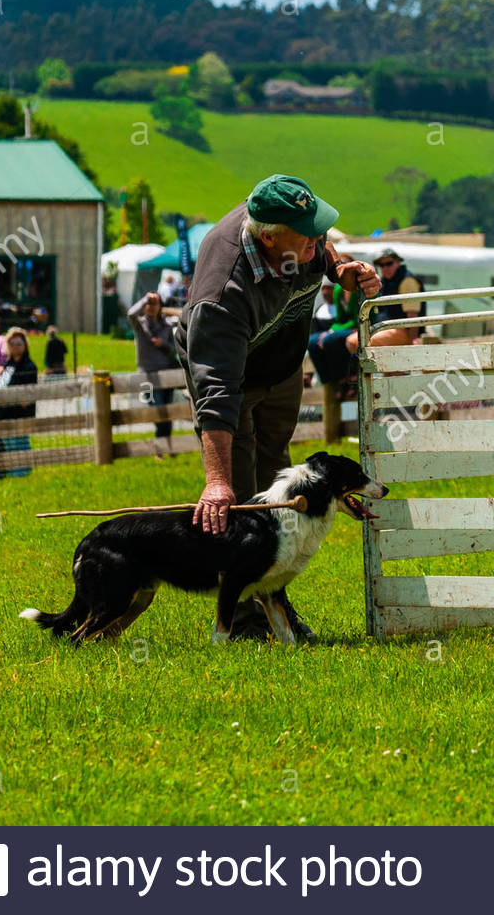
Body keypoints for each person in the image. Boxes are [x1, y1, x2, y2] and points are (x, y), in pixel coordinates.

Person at [177, 173, 380, 642]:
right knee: (247, 500)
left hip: (282, 367)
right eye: (306, 233)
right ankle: (246, 623)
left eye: (317, 228)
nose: (316, 237)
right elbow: (217, 393)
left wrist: (341, 271)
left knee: (281, 487)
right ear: (267, 237)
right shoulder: (222, 293)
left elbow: (323, 248)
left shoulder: (301, 233)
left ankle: (276, 608)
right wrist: (216, 481)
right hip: (234, 379)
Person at [343, 249, 425, 357]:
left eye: (389, 263)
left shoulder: (407, 280)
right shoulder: (386, 282)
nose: (385, 268)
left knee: (353, 342)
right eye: (381, 265)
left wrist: (413, 339)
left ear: (398, 262)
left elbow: (412, 314)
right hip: (386, 328)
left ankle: (358, 373)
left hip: (402, 331)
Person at [128, 291, 181, 460]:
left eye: (154, 303)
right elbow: (130, 313)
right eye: (148, 304)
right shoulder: (140, 324)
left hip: (167, 373)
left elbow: (175, 349)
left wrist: (163, 343)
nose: (151, 306)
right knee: (158, 411)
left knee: (168, 411)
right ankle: (160, 448)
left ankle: (166, 448)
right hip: (148, 375)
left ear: (160, 306)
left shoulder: (167, 325)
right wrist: (145, 298)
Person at [307, 253, 362, 395]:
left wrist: (331, 332)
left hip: (360, 327)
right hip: (348, 327)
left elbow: (358, 319)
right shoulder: (338, 291)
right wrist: (331, 330)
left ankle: (350, 379)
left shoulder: (358, 289)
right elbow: (340, 319)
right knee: (312, 342)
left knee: (329, 340)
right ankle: (333, 382)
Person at [0, 327, 39, 479]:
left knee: (19, 445)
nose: (15, 346)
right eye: (12, 343)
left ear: (25, 344)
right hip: (2, 415)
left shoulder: (29, 367)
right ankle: (10, 475)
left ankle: (21, 476)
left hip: (18, 415)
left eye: (19, 342)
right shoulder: (6, 366)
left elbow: (26, 397)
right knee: (8, 447)